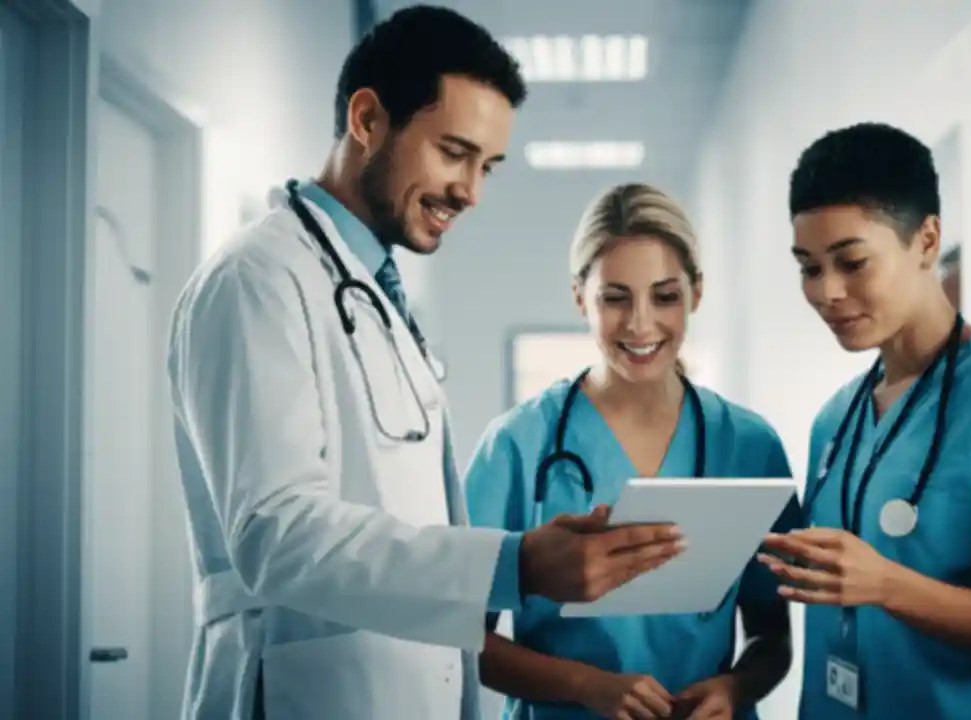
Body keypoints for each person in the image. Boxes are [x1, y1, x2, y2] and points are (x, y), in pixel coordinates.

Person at [165, 8, 684, 720]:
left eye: (486, 166)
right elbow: (275, 534)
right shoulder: (256, 279)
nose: (471, 191)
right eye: (453, 152)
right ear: (368, 119)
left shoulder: (368, 291)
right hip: (306, 693)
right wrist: (513, 563)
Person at [760, 123, 971, 719]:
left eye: (852, 262)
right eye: (809, 267)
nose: (828, 291)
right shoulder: (835, 419)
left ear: (927, 241)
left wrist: (886, 584)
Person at [465, 182, 800, 720]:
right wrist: (584, 685)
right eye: (615, 297)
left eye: (665, 296)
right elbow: (462, 636)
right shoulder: (516, 445)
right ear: (580, 297)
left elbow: (771, 635)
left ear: (696, 293)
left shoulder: (749, 445)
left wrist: (734, 690)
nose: (641, 324)